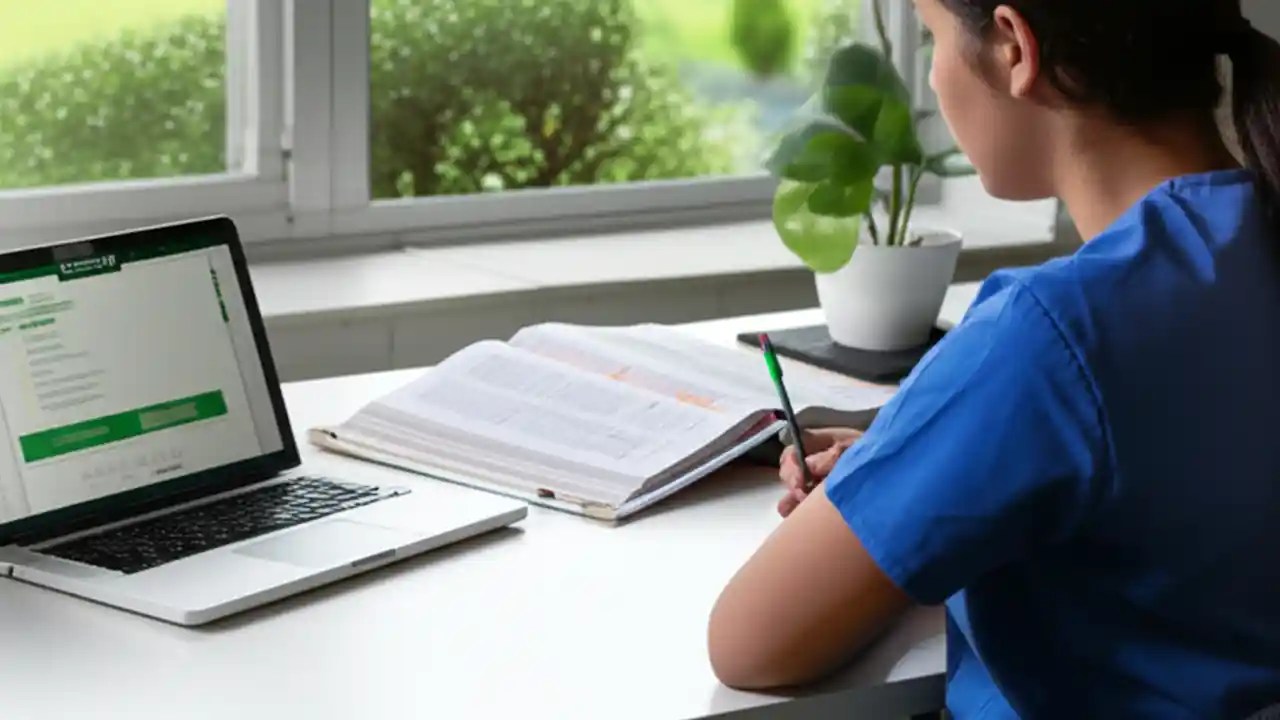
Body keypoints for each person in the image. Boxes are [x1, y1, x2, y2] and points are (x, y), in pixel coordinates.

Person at [707, 0, 1280, 717]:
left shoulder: (1051, 332)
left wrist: (894, 481)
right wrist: (919, 465)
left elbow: (749, 643)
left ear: (1014, 48)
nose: (934, 77)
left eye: (934, 40)